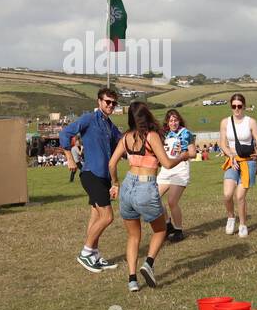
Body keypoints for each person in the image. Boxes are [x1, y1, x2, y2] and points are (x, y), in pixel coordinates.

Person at [108, 102, 190, 291]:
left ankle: (132, 280)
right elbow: (167, 164)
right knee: (161, 230)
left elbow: (112, 164)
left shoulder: (125, 137)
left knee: (133, 236)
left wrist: (115, 183)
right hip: (146, 185)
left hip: (128, 186)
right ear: (147, 115)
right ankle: (148, 264)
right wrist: (183, 156)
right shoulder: (151, 136)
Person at [60, 88, 123, 273]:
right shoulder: (89, 119)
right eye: (107, 102)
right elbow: (65, 133)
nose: (110, 105)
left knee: (96, 216)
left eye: (113, 103)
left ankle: (93, 254)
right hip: (91, 174)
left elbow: (121, 146)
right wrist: (70, 158)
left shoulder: (110, 125)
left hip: (104, 177)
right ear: (99, 101)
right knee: (108, 217)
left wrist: (114, 181)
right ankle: (85, 252)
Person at [220, 94, 257, 237]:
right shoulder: (225, 122)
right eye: (234, 106)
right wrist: (230, 156)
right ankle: (231, 217)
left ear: (244, 106)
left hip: (248, 162)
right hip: (232, 161)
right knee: (227, 194)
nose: (237, 109)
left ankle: (243, 224)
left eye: (239, 106)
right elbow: (222, 144)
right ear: (231, 106)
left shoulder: (251, 122)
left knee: (240, 196)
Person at [156, 108, 196, 242]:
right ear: (167, 122)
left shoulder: (185, 133)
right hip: (166, 169)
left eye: (175, 120)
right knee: (153, 197)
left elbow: (193, 153)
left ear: (179, 120)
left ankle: (179, 230)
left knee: (172, 201)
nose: (173, 123)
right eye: (171, 120)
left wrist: (183, 153)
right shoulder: (164, 134)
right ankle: (168, 225)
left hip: (180, 169)